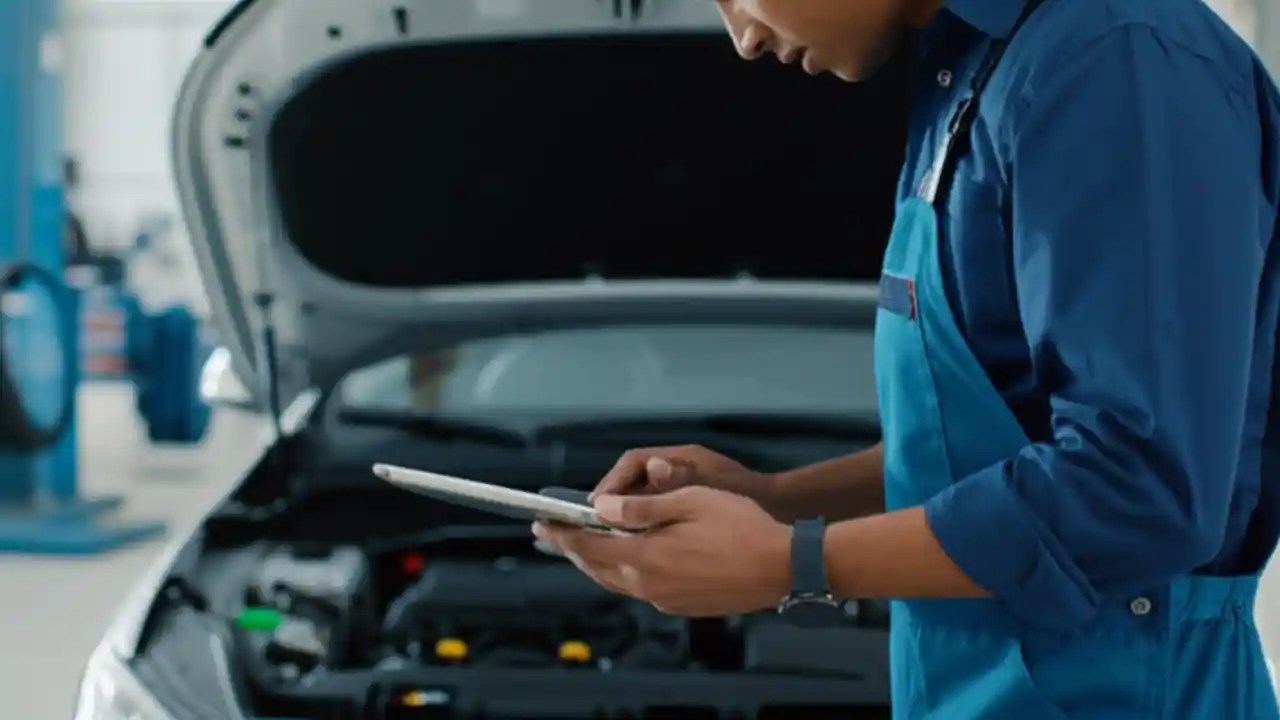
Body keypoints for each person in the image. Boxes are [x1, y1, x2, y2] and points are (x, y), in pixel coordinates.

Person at [533, 0, 1280, 717]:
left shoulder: (1120, 59)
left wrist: (793, 562)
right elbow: (988, 448)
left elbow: (1140, 486)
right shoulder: (974, 68)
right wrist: (775, 502)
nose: (743, 38)